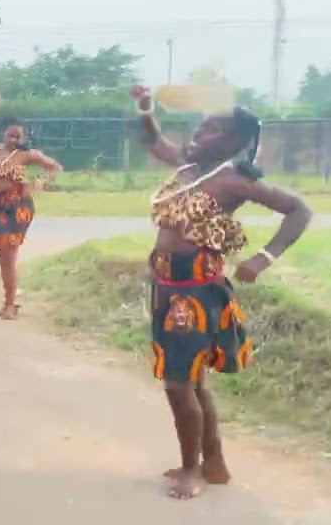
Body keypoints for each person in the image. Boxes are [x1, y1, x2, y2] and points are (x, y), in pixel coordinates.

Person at [130, 85, 311, 499]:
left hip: (194, 294)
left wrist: (264, 257)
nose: (200, 131)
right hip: (167, 285)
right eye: (202, 124)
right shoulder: (187, 167)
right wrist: (144, 107)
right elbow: (152, 140)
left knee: (179, 384)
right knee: (192, 382)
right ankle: (213, 464)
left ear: (233, 142)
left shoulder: (232, 180)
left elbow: (299, 209)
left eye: (213, 128)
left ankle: (192, 472)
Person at [0, 119, 62, 320]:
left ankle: (11, 304)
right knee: (3, 256)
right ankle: (8, 302)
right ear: (4, 134)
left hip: (18, 206)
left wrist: (39, 182)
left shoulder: (27, 155)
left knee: (9, 254)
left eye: (18, 136)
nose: (13, 139)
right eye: (10, 134)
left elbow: (55, 167)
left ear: (24, 138)